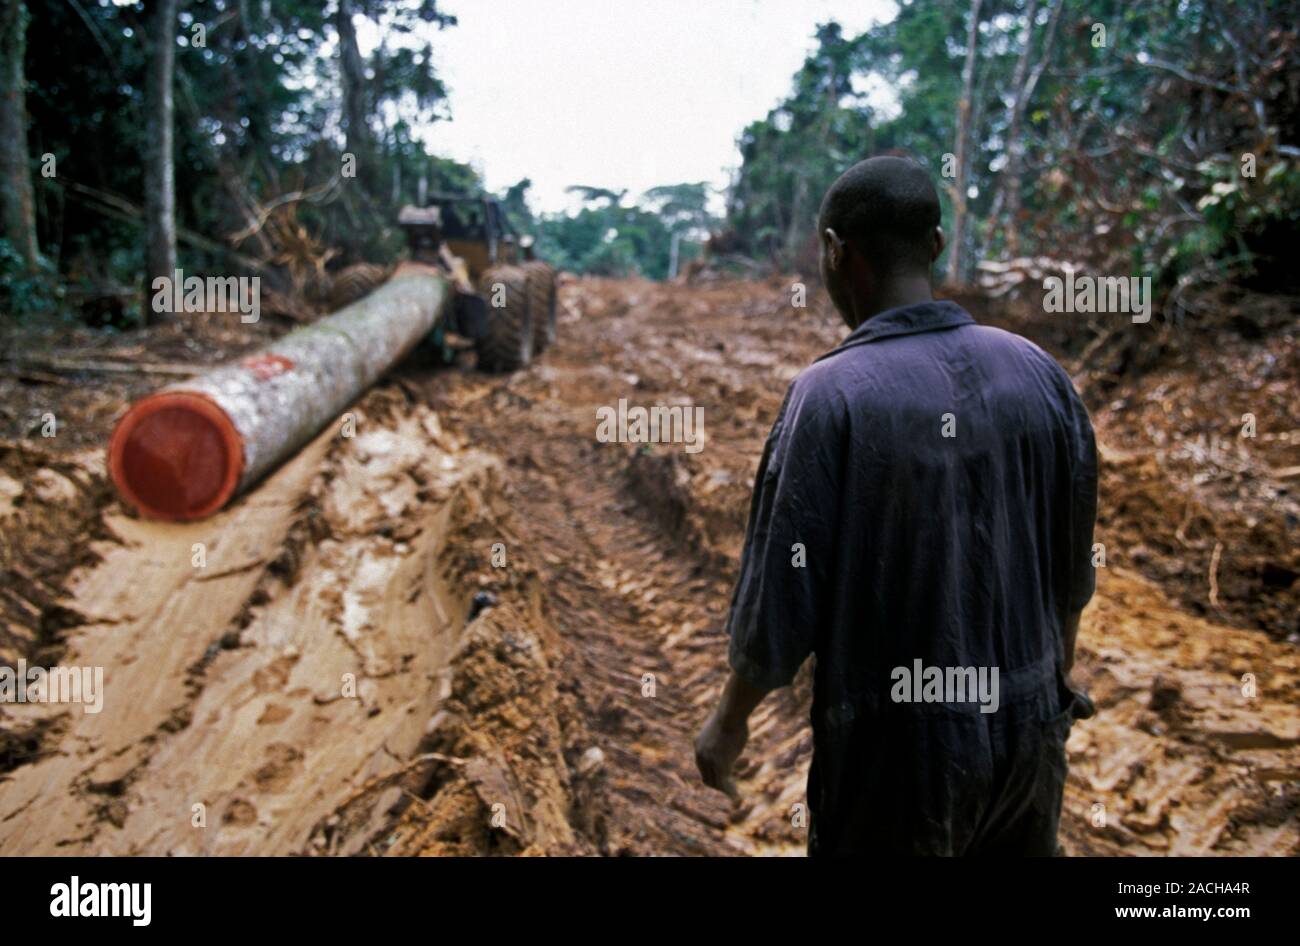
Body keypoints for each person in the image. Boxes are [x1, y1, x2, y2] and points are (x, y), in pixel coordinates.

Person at [694, 155, 1098, 856]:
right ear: (936, 244)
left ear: (833, 251)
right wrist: (1052, 682)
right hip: (1031, 733)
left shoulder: (830, 396)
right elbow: (1072, 562)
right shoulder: (1040, 373)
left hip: (900, 757)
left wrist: (728, 726)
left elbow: (784, 594)